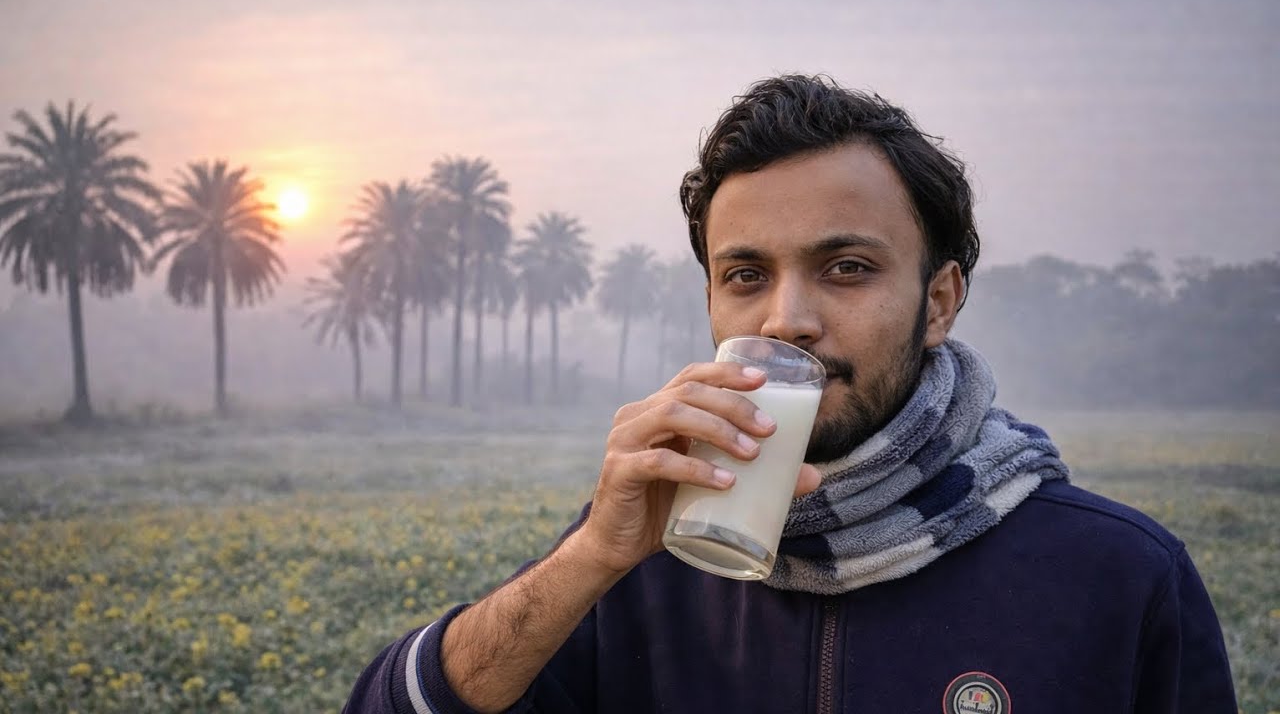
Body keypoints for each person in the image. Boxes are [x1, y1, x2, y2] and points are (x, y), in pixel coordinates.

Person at [342, 74, 1237, 714]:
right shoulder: (638, 562)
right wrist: (589, 559)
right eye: (745, 274)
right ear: (709, 302)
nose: (787, 319)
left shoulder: (1118, 577)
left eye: (846, 268)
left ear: (938, 301)